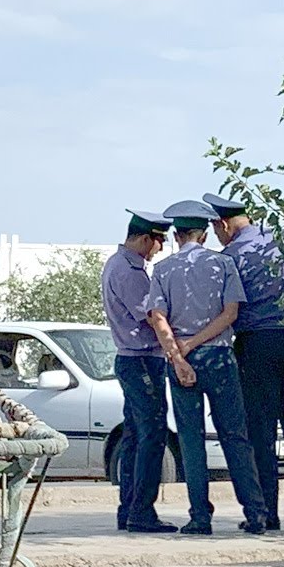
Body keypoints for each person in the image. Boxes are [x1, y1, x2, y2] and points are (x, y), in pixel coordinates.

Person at [147, 200, 269, 536]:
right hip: (218, 357)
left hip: (182, 362)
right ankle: (255, 513)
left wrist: (179, 354)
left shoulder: (163, 270)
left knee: (191, 440)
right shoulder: (223, 264)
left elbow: (157, 317)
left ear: (176, 235)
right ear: (203, 234)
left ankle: (200, 517)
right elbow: (230, 313)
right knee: (235, 437)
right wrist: (196, 342)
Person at [204, 192, 284, 530]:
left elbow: (229, 307)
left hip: (256, 345)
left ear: (223, 224)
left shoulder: (231, 257)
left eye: (216, 230)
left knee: (260, 432)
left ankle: (267, 513)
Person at [100, 210, 178, 533]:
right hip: (141, 359)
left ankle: (129, 508)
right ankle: (141, 510)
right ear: (146, 238)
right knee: (152, 432)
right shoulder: (130, 272)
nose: (158, 249)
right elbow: (151, 316)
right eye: (158, 241)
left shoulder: (118, 265)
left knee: (135, 435)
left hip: (135, 359)